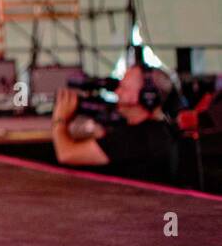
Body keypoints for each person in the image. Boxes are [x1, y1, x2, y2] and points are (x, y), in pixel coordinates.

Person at [51, 63, 181, 184]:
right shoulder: (160, 129)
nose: (117, 92)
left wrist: (60, 118)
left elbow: (66, 154)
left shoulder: (136, 138)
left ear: (146, 96)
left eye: (123, 88)